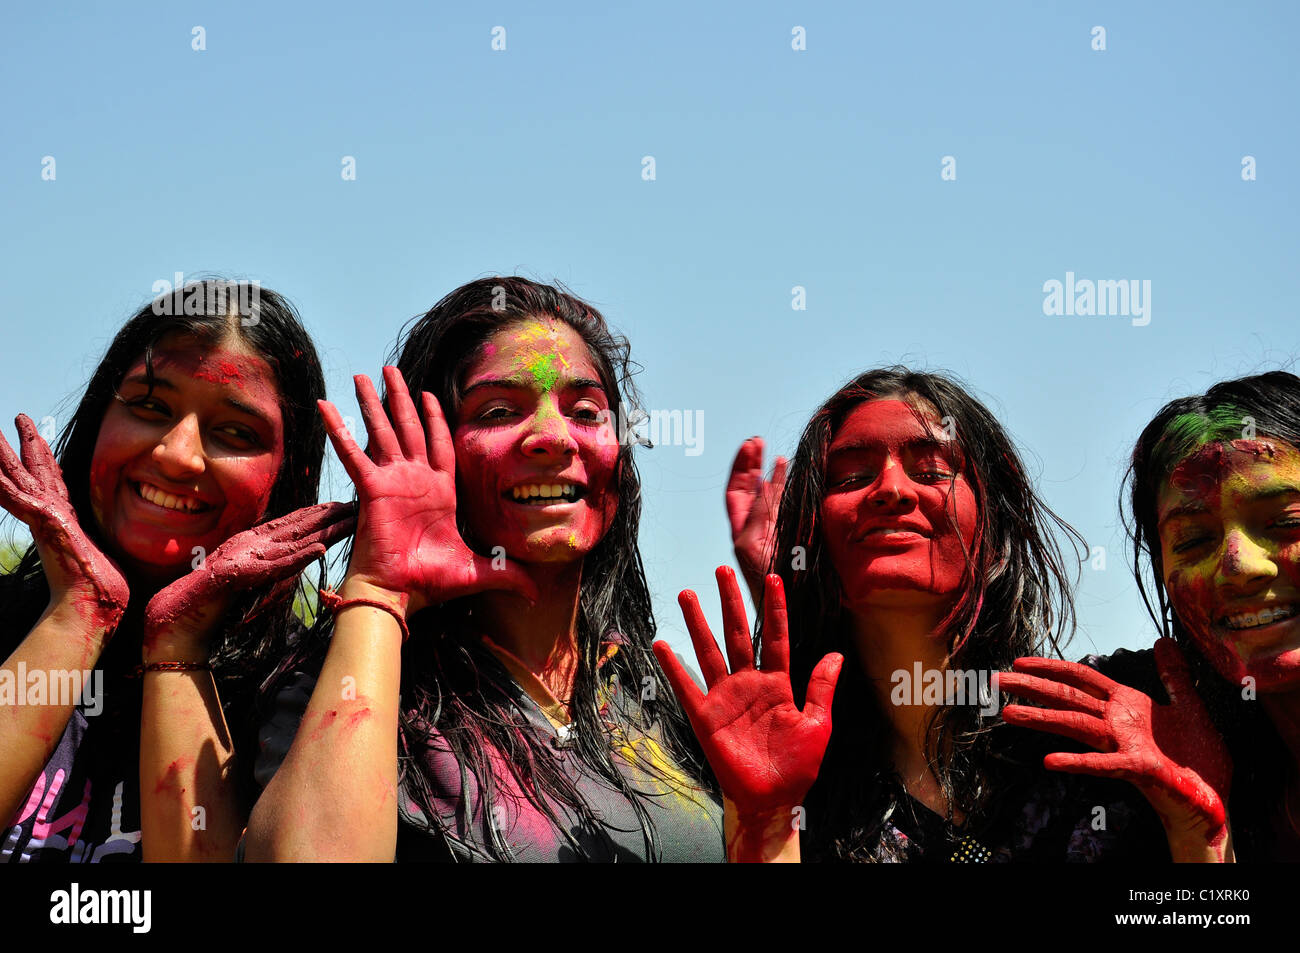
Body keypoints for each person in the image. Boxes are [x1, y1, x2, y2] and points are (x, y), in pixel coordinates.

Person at [244, 277, 723, 862]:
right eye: (498, 411)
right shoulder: (348, 682)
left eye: (584, 411)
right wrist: (380, 590)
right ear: (427, 447)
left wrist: (772, 819)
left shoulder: (659, 693)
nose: (553, 437)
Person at [691, 367, 1168, 861]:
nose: (891, 489)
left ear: (996, 522)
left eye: (933, 472)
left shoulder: (1115, 719)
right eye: (852, 478)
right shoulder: (782, 771)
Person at [0, 279, 351, 862]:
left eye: (235, 433)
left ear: (289, 481)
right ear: (94, 423)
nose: (177, 454)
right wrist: (81, 612)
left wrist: (178, 640)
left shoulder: (304, 690)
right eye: (150, 407)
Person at [1001, 370, 1300, 862]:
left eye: (1286, 522)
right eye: (1194, 541)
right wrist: (1199, 839)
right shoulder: (1194, 741)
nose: (1239, 567)